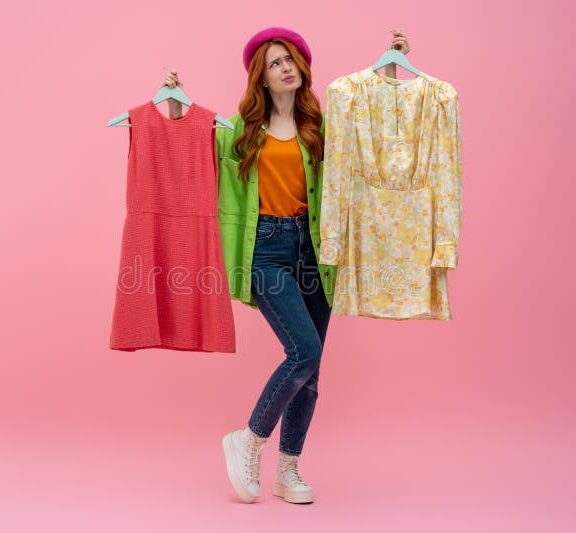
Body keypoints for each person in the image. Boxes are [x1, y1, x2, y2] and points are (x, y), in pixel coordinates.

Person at [161, 27, 411, 504]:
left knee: (312, 374)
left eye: (292, 59)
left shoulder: (322, 126)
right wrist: (175, 111)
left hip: (315, 250)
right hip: (266, 250)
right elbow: (187, 150)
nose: (286, 67)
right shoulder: (237, 132)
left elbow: (371, 116)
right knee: (304, 352)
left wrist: (389, 67)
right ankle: (250, 440)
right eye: (276, 62)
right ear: (261, 75)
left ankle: (288, 470)